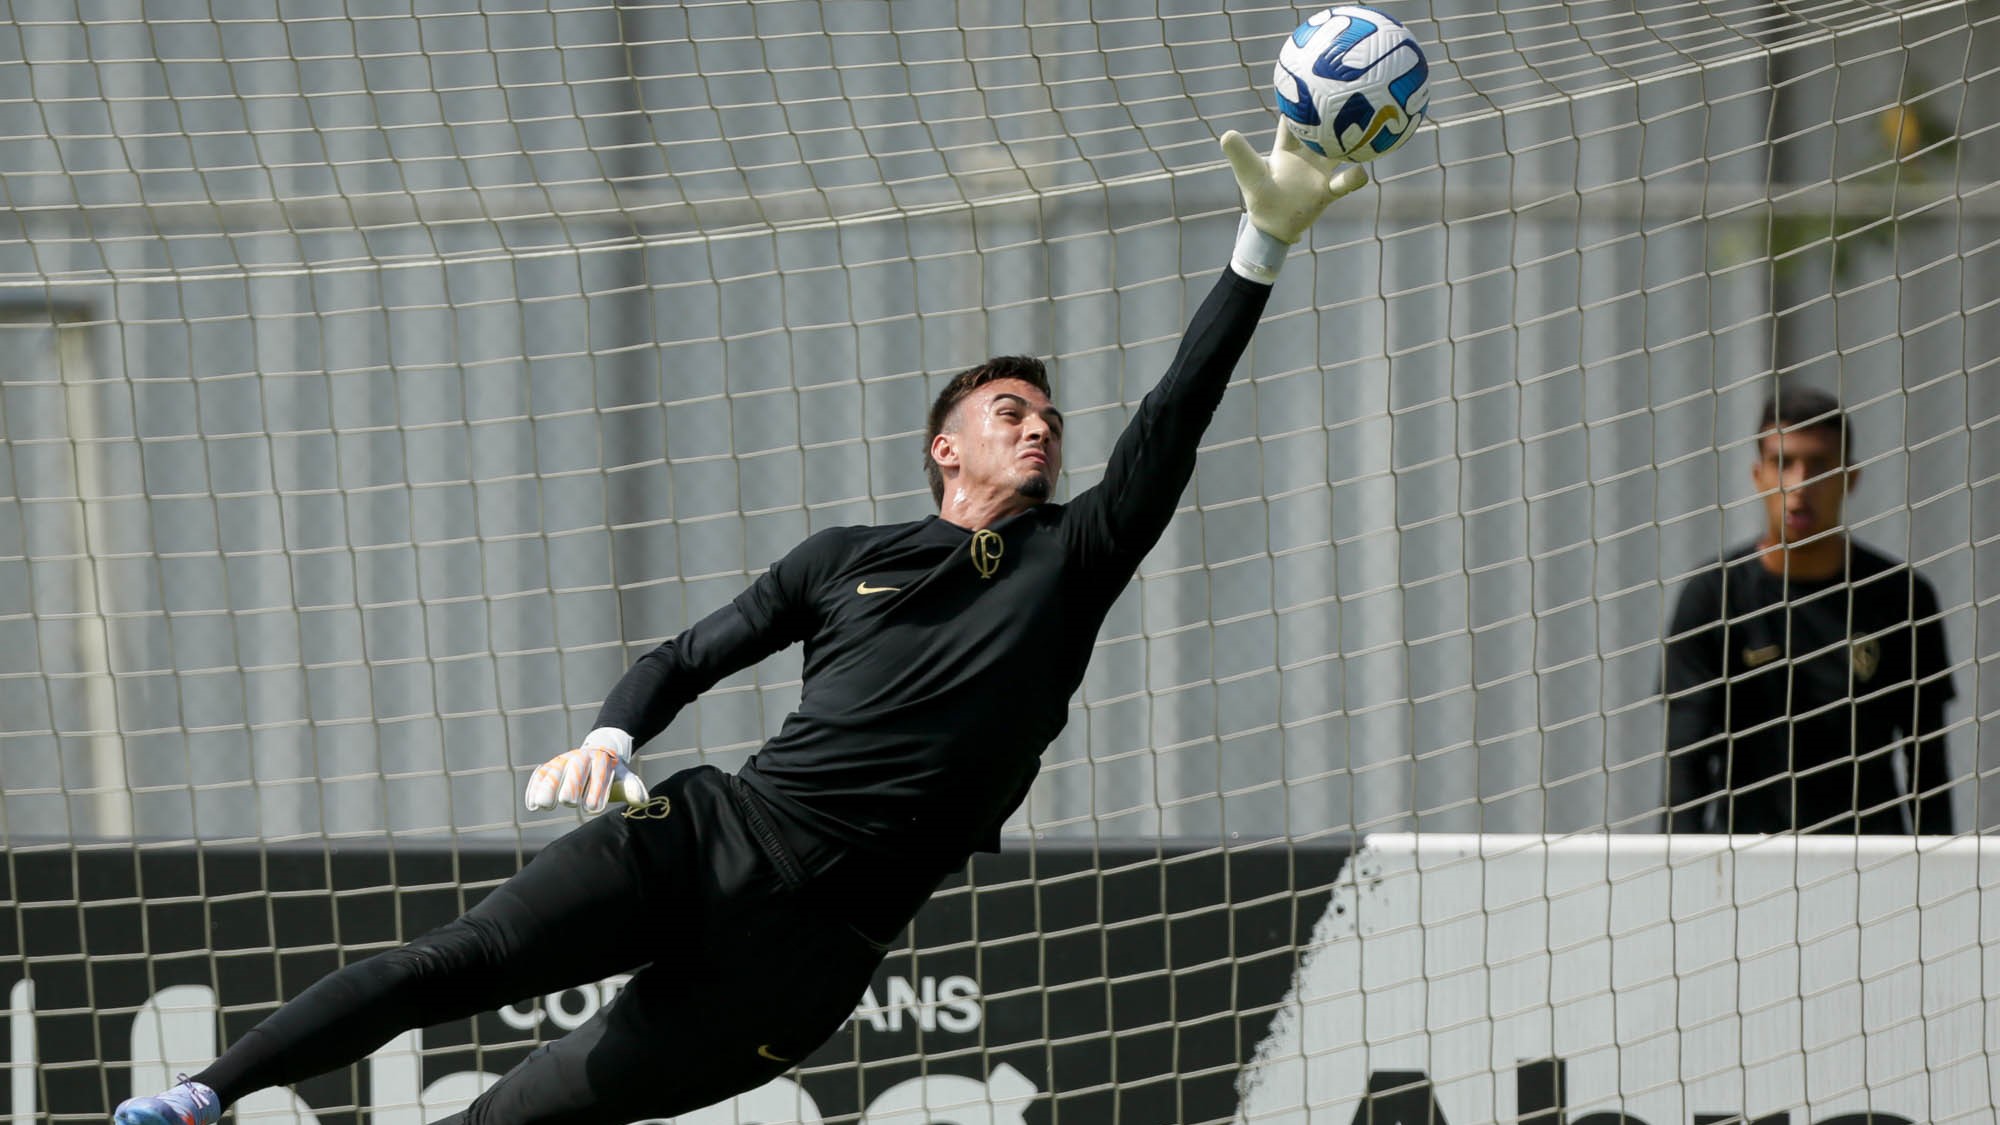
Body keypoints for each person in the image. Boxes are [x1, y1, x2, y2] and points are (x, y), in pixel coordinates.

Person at [112, 128, 1370, 1125]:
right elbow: (685, 657)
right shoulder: (842, 561)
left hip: (806, 959)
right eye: (1007, 409)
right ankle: (198, 1096)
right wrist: (611, 735)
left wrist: (1258, 241)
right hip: (704, 835)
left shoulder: (1076, 555)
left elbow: (1172, 419)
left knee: (510, 1121)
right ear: (945, 446)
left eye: (1047, 416)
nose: (1038, 426)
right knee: (454, 963)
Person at [1662, 384, 1957, 836]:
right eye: (1783, 463)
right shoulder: (1713, 597)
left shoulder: (1901, 595)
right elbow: (1687, 762)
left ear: (1850, 477)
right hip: (1750, 867)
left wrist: (1936, 880)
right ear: (1757, 475)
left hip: (1872, 862)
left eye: (1819, 465)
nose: (1800, 485)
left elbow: (1928, 762)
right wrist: (1678, 882)